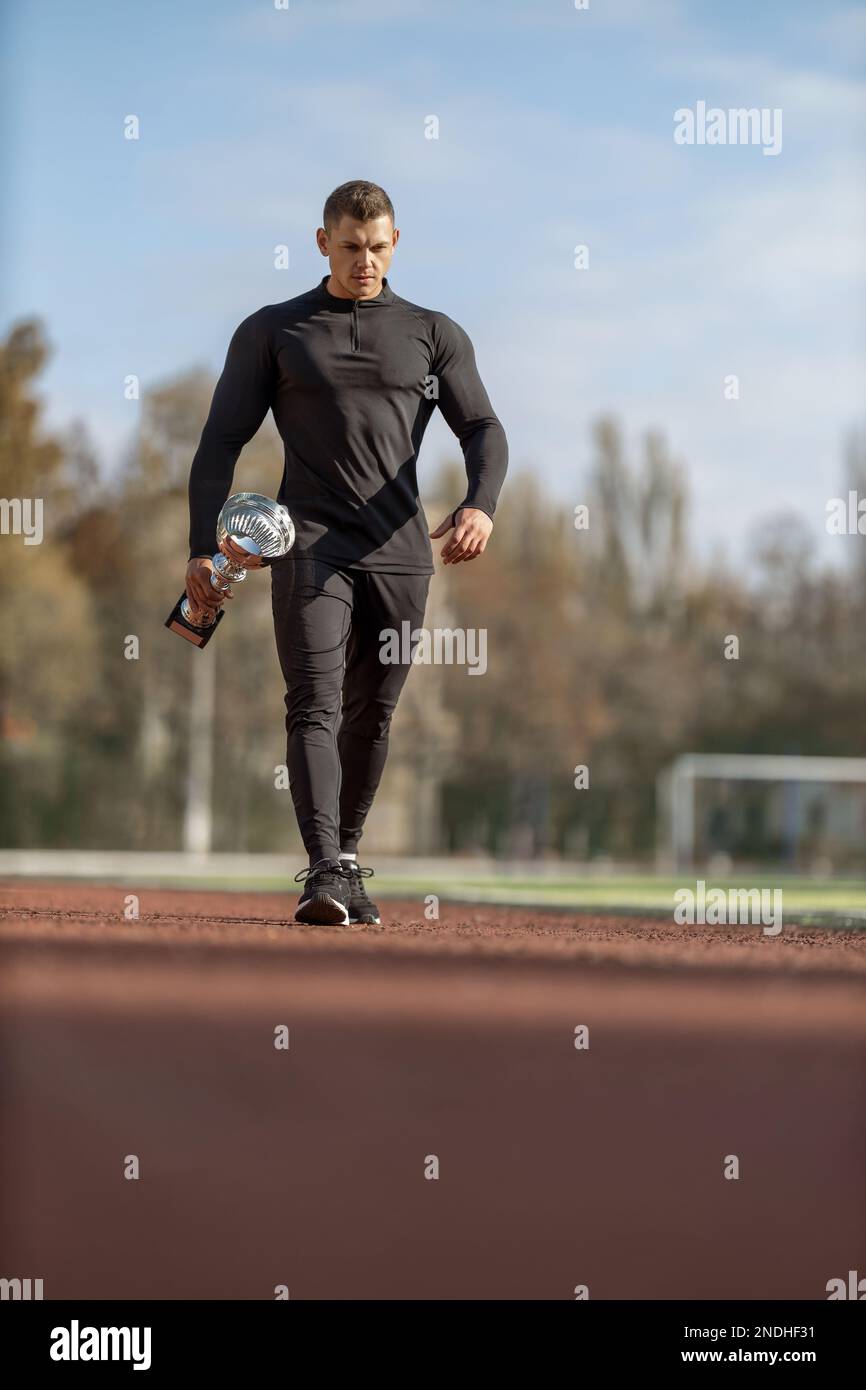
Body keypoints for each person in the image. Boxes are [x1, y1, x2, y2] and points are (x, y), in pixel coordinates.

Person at [185, 180, 508, 925]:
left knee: (376, 714)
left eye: (379, 248)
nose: (366, 261)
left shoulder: (433, 332)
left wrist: (480, 505)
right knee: (313, 705)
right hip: (310, 548)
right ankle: (324, 867)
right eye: (353, 246)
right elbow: (219, 444)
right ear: (323, 241)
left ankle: (349, 860)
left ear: (396, 246)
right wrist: (203, 547)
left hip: (401, 553)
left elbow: (483, 427)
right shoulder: (275, 331)